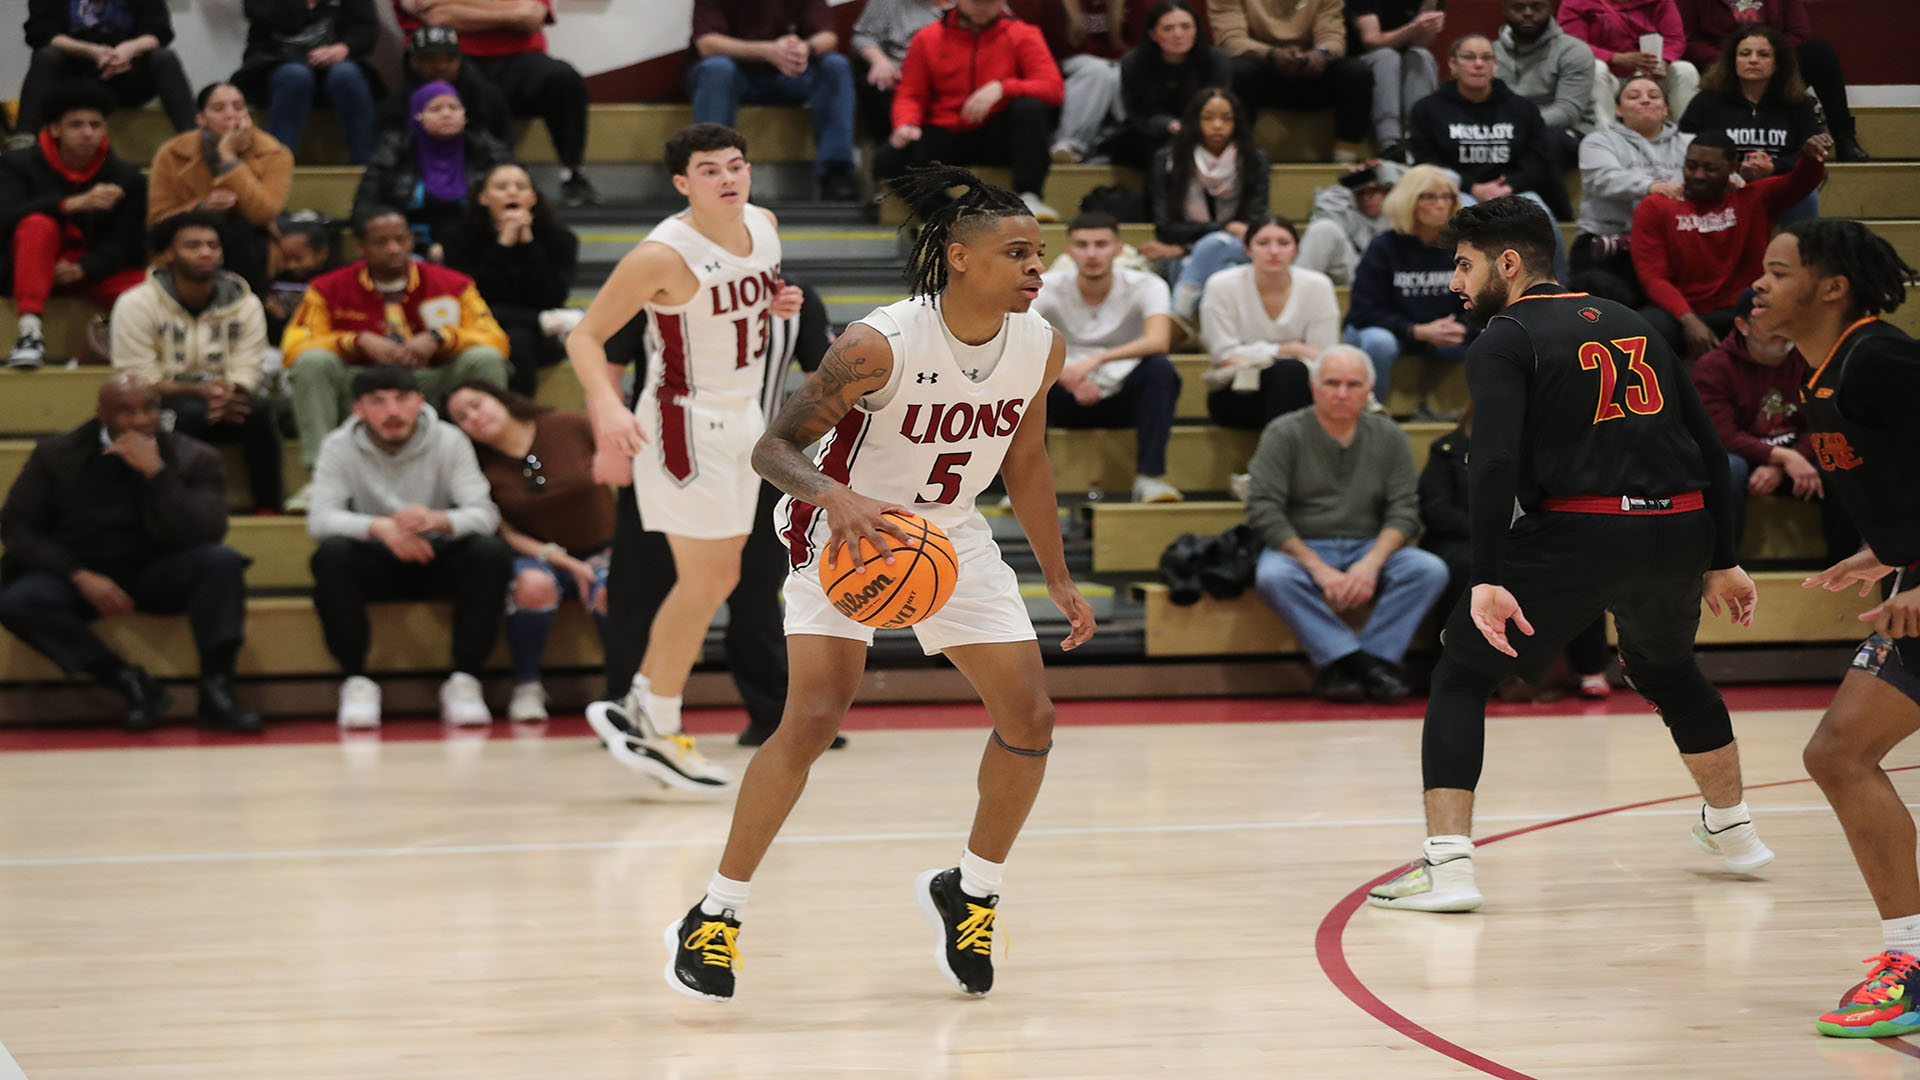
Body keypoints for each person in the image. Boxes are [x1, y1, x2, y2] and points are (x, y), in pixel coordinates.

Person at [663, 163, 1096, 1004]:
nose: (1037, 268)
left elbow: (1026, 457)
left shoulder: (1040, 343)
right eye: (1018, 253)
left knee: (1032, 719)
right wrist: (836, 497)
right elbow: (772, 449)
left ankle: (972, 891)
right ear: (960, 258)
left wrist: (1057, 577)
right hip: (842, 530)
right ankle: (716, 912)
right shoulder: (879, 344)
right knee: (813, 719)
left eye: (1039, 253)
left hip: (948, 533)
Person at [1367, 196, 1766, 915]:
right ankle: (1734, 831)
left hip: (1584, 528)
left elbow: (1492, 462)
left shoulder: (1505, 336)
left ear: (1508, 264)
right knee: (1668, 671)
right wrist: (1723, 556)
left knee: (1461, 674)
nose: (1455, 283)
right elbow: (1708, 446)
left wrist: (1487, 576)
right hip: (1680, 525)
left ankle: (1448, 867)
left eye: (1463, 266)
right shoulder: (1635, 321)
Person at [567, 123, 797, 791]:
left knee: (719, 577)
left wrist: (775, 305)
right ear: (681, 183)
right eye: (709, 170)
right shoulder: (662, 256)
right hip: (682, 424)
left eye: (736, 165)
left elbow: (743, 306)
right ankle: (653, 716)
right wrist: (607, 409)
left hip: (744, 417)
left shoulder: (764, 225)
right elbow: (585, 337)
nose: (727, 179)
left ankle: (646, 707)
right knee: (705, 580)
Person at [1754, 219, 1920, 1038]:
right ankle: (1909, 962)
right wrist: (1884, 551)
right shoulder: (1824, 372)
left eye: (1779, 271)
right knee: (1837, 753)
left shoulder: (1881, 360)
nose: (1761, 284)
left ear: (1831, 287)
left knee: (1839, 753)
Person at [592, 283, 839, 751]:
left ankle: (772, 715)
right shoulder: (663, 282)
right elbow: (599, 353)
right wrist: (608, 442)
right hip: (663, 452)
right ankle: (629, 708)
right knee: (641, 587)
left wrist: (805, 450)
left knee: (754, 592)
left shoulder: (794, 295)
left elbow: (824, 381)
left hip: (754, 461)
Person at [0, 374, 258, 733]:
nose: (140, 420)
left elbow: (206, 533)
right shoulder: (56, 454)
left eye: (149, 408)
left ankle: (217, 689)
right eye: (126, 412)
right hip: (78, 574)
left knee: (222, 562)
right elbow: (16, 528)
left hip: (154, 570)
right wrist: (78, 575)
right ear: (100, 414)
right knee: (18, 602)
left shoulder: (195, 456)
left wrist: (158, 474)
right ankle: (130, 683)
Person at [306, 364, 511, 728]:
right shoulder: (338, 445)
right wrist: (380, 527)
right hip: (376, 558)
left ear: (419, 402)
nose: (392, 411)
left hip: (438, 553)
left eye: (402, 399)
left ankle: (465, 681)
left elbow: (486, 515)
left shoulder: (450, 440)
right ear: (359, 410)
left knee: (489, 552)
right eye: (378, 402)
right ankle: (356, 681)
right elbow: (319, 519)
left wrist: (439, 520)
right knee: (331, 555)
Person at [1248, 345, 1449, 703]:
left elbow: (1405, 509)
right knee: (1273, 577)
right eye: (1332, 383)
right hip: (1302, 548)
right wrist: (1318, 568)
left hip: (1370, 545)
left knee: (1429, 570)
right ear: (1314, 387)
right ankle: (1356, 663)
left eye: (1353, 384)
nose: (1341, 393)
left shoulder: (1389, 435)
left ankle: (1369, 659)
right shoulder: (1283, 433)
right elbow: (1263, 510)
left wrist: (1370, 564)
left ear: (1369, 390)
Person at [282, 205, 511, 481]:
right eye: (381, 242)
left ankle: (490, 468)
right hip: (362, 385)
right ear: (360, 247)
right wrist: (355, 341)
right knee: (312, 363)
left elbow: (497, 340)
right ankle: (321, 476)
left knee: (486, 358)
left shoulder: (453, 284)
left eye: (401, 239)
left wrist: (441, 338)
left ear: (411, 241)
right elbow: (293, 348)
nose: (394, 249)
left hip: (431, 381)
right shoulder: (326, 288)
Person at [1419, 404, 1614, 699]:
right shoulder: (1447, 450)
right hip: (1463, 539)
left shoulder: (1540, 450)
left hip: (1525, 537)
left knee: (1575, 566)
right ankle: (1458, 665)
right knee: (1470, 568)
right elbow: (1436, 510)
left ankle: (1591, 668)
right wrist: (1491, 533)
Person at [446, 380, 613, 722]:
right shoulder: (476, 464)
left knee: (609, 588)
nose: (473, 418)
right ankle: (527, 686)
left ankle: (624, 687)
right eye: (462, 417)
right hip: (537, 555)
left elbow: (626, 468)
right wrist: (563, 561)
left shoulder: (568, 425)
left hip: (604, 546)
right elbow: (503, 530)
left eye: (477, 404)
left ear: (501, 399)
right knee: (535, 586)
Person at [110, 212, 280, 513]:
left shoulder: (246, 303)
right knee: (186, 415)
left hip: (227, 400)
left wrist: (229, 391)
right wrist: (197, 391)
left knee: (257, 413)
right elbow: (139, 377)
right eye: (193, 245)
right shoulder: (136, 303)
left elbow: (249, 365)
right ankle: (173, 509)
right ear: (169, 254)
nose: (205, 252)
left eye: (213, 245)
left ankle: (269, 508)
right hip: (164, 401)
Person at [1630, 128, 1827, 359]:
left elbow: (1800, 183)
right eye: (1691, 166)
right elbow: (1653, 277)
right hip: (1679, 311)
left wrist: (1811, 158)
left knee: (1787, 311)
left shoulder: (1752, 197)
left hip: (1741, 308)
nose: (1698, 175)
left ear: (1733, 167)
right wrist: (1689, 319)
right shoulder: (1655, 207)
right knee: (1643, 328)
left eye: (1710, 169)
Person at [1692, 287, 1854, 563]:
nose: (1781, 326)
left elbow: (1826, 421)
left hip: (1798, 458)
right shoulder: (1713, 367)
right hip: (1742, 458)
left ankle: (1845, 566)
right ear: (1743, 325)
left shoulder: (1812, 359)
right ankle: (1721, 567)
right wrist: (1783, 457)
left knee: (1839, 460)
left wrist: (1784, 462)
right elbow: (1720, 435)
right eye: (1769, 317)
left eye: (1787, 317)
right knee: (1727, 469)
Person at [1032, 211, 1183, 503]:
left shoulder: (1148, 284)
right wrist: (1067, 378)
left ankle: (1149, 478)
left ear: (1118, 250)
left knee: (1161, 369)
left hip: (1124, 392)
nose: (1092, 254)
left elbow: (1158, 340)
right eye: (1082, 245)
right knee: (1024, 374)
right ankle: (1024, 482)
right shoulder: (1046, 285)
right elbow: (1019, 341)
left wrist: (1096, 361)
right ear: (1069, 251)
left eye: (1101, 244)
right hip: (1064, 391)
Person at [1, 81, 149, 370]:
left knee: (153, 288)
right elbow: (4, 218)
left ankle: (90, 354)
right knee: (38, 224)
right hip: (24, 269)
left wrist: (84, 268)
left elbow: (129, 243)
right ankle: (29, 334)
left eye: (95, 125)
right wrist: (68, 205)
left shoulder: (126, 177)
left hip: (87, 271)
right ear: (55, 129)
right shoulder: (18, 164)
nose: (88, 133)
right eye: (76, 125)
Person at [392, 0, 598, 206]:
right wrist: (507, 9)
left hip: (520, 57)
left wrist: (453, 6)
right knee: (478, 92)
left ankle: (573, 173)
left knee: (563, 78)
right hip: (450, 57)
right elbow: (437, 18)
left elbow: (531, 16)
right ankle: (483, 178)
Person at [877, 0, 1066, 223]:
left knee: (1029, 108)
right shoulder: (927, 37)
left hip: (998, 136)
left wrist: (1003, 88)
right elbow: (910, 93)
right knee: (889, 156)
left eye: (989, 1)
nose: (981, 6)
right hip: (947, 133)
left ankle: (1030, 195)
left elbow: (1053, 88)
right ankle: (945, 214)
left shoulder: (1023, 33)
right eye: (974, 1)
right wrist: (907, 124)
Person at [687, 0, 860, 201]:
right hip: (736, 75)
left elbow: (828, 36)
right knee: (716, 69)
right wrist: (767, 51)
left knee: (836, 66)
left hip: (788, 74)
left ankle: (836, 173)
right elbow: (707, 44)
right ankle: (717, 176)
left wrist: (806, 48)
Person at [441, 162, 579, 396]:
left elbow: (552, 297)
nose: (512, 192)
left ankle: (516, 413)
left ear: (533, 198)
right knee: (510, 339)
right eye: (501, 187)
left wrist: (528, 245)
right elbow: (473, 297)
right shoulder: (458, 236)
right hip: (480, 326)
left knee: (518, 341)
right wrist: (503, 245)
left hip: (538, 335)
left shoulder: (560, 238)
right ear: (483, 198)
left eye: (521, 186)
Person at [1345, 164, 1471, 413]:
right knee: (1379, 342)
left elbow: (1480, 303)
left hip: (1443, 333)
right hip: (1390, 330)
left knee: (1492, 338)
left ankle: (1480, 420)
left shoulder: (1463, 248)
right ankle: (1369, 415)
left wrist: (1460, 326)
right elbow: (1363, 311)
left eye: (1446, 197)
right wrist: (1415, 330)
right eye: (1429, 197)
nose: (1441, 205)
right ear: (1408, 201)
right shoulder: (1383, 248)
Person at [146, 83, 292, 295]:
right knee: (199, 243)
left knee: (239, 230)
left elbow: (263, 213)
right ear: (201, 119)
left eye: (238, 107)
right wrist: (201, 208)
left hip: (251, 240)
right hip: (186, 236)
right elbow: (158, 220)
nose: (231, 114)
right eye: (219, 108)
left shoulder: (275, 153)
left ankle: (244, 307)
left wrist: (229, 158)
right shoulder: (172, 153)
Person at [1407, 34, 1571, 224]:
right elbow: (1426, 161)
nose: (1478, 64)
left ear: (1495, 64)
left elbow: (1538, 160)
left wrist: (1510, 186)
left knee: (1543, 223)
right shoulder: (1427, 109)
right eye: (1469, 57)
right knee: (1466, 220)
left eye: (1486, 58)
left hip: (1514, 190)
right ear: (1453, 64)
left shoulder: (1523, 108)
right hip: (1455, 191)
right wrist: (1473, 187)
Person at [1673, 0, 1865, 161]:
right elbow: (1687, 39)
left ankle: (1844, 137)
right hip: (1719, 63)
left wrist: (1769, 55)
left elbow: (1800, 32)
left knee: (1819, 52)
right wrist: (1736, 57)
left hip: (1778, 59)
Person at [1198, 216, 1339, 430]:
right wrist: (1289, 349)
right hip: (1237, 390)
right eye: (1263, 243)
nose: (1274, 251)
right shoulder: (1221, 285)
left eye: (1283, 243)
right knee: (1291, 370)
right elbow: (1224, 355)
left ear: (1296, 250)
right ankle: (1281, 449)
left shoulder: (1318, 286)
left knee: (1293, 374)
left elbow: (1321, 355)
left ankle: (1278, 449)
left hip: (1301, 387)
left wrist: (1253, 353)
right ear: (1247, 249)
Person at [1143, 87, 1270, 319]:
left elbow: (1250, 228)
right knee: (1227, 272)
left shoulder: (1255, 161)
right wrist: (1223, 228)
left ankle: (1180, 311)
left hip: (1233, 248)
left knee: (1221, 255)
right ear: (1194, 121)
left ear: (1237, 123)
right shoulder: (1169, 159)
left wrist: (1187, 248)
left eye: (1226, 118)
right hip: (1179, 250)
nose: (1218, 125)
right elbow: (1166, 226)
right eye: (1208, 118)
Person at [1677, 24, 1823, 223]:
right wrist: (1731, 169)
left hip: (1779, 182)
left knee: (1805, 191)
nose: (1753, 60)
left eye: (1763, 55)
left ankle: (1798, 242)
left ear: (1777, 63)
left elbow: (1809, 154)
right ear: (1733, 61)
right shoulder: (1706, 101)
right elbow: (1685, 146)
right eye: (1745, 54)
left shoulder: (1799, 103)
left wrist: (1773, 166)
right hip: (1724, 183)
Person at [353, 83, 511, 258]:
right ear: (418, 115)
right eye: (435, 109)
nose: (447, 114)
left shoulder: (487, 150)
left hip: (476, 247)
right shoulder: (393, 151)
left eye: (454, 107)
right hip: (406, 251)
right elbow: (365, 208)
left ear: (464, 114)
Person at [1572, 74, 1690, 299]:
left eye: (1653, 96)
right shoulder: (1598, 141)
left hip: (1669, 242)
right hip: (1607, 240)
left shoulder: (1688, 143)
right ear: (1618, 109)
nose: (1645, 100)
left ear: (1666, 108)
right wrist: (1652, 186)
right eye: (1634, 97)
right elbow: (1603, 178)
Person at [1209, 0, 1372, 161]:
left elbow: (1333, 37)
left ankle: (1344, 161)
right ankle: (1237, 159)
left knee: (1356, 72)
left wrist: (1321, 54)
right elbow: (1231, 40)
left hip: (1310, 69)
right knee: (1237, 71)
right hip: (1260, 69)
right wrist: (1271, 54)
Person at [232, 0, 382, 164]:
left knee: (347, 75)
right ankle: (275, 165)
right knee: (295, 76)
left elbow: (367, 28)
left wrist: (344, 48)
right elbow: (276, 19)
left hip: (337, 66)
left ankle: (367, 165)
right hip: (276, 65)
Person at [17, 0, 194, 138]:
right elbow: (41, 34)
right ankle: (24, 138)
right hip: (76, 77)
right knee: (47, 56)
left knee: (164, 57)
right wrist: (92, 51)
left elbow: (159, 31)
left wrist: (128, 50)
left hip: (127, 74)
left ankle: (192, 135)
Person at [1115, 1, 1231, 169]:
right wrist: (1168, 124)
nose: (1178, 34)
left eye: (1186, 27)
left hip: (1201, 130)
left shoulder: (1216, 60)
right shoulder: (1133, 62)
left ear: (1196, 31)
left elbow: (1217, 106)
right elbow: (1137, 111)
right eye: (1168, 29)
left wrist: (1191, 126)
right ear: (1153, 35)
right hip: (1150, 132)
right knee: (1157, 150)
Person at [1558, 0, 1699, 130]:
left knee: (1685, 70)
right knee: (1595, 68)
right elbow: (1575, 46)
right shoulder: (1577, 3)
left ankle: (1689, 136)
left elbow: (1674, 38)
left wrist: (1663, 61)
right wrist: (1615, 58)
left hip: (1651, 73)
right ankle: (1604, 135)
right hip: (1610, 75)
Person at [1495, 0, 1596, 169]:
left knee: (1543, 142)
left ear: (1549, 9)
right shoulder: (1490, 53)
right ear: (1505, 10)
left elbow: (1567, 111)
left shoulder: (1573, 50)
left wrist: (1512, 128)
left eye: (1537, 7)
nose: (1528, 13)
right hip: (1505, 130)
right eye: (1519, 7)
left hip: (1565, 130)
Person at [376, 27, 513, 144]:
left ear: (459, 61)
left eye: (449, 58)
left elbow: (503, 149)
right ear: (413, 63)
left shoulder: (486, 99)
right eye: (430, 59)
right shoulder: (395, 107)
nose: (441, 66)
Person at [1347, 0, 1444, 162]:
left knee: (1421, 56)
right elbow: (1371, 41)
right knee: (1387, 57)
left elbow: (1422, 43)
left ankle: (1418, 138)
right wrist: (1414, 27)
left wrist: (1426, 23)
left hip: (1406, 59)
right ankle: (1390, 142)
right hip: (1361, 62)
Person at [1036, 0, 1129, 164]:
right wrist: (1109, 54)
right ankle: (1069, 144)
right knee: (1098, 71)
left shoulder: (1131, 3)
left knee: (1116, 73)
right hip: (1071, 64)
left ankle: (1124, 141)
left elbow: (1139, 43)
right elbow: (1060, 47)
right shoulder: (1056, 4)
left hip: (1118, 64)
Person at [849, 0, 950, 141]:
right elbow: (863, 37)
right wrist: (880, 61)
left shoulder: (969, 8)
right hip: (901, 74)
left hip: (953, 76)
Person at [1296, 160, 1400, 286]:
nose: (1366, 198)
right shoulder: (1347, 210)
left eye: (1373, 191)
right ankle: (1293, 293)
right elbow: (1325, 206)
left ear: (1388, 190)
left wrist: (1386, 171)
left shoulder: (1404, 210)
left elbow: (1419, 183)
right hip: (1360, 272)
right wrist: (1346, 185)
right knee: (1323, 228)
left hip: (1401, 276)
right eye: (1360, 192)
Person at [263, 213, 337, 347]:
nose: (291, 265)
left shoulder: (333, 280)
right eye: (285, 258)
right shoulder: (274, 276)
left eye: (298, 259)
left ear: (322, 253)